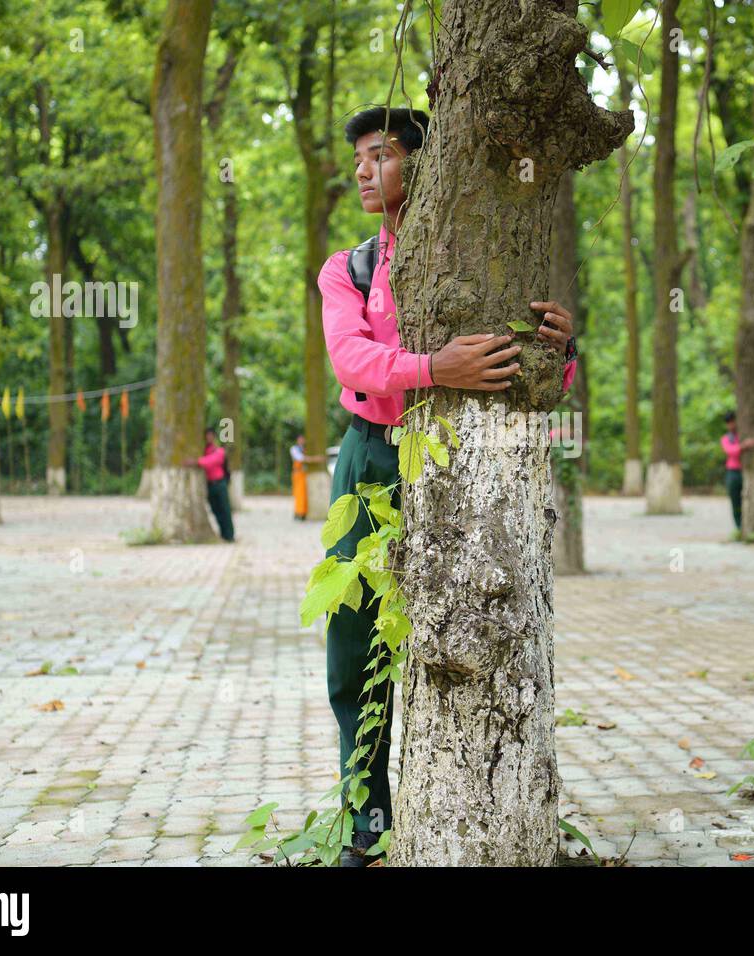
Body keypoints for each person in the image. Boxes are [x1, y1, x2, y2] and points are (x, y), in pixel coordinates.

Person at [317, 106, 577, 865]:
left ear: (423, 166)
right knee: (356, 646)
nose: (365, 170)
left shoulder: (484, 260)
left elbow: (537, 382)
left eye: (382, 156)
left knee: (466, 631)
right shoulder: (351, 267)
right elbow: (351, 361)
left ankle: (484, 817)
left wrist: (561, 353)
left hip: (461, 465)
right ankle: (366, 824)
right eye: (360, 158)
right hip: (371, 459)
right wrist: (434, 368)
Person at [720, 411, 754, 536]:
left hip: (749, 471)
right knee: (735, 501)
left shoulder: (745, 434)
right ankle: (739, 527)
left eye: (733, 421)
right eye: (729, 423)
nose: (731, 425)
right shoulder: (726, 439)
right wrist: (744, 446)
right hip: (733, 473)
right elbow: (731, 451)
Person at [194, 428, 234, 542]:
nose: (209, 438)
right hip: (210, 485)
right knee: (215, 511)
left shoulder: (219, 451)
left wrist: (196, 461)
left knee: (225, 510)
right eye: (207, 436)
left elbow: (211, 461)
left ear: (214, 437)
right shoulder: (204, 450)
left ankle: (230, 536)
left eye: (211, 435)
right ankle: (223, 534)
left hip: (220, 484)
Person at [290, 434, 308, 521]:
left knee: (304, 494)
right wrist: (316, 459)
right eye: (300, 439)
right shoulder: (294, 449)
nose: (301, 441)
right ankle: (298, 512)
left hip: (304, 474)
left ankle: (303, 512)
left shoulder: (305, 449)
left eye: (303, 439)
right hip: (297, 474)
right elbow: (301, 459)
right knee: (298, 494)